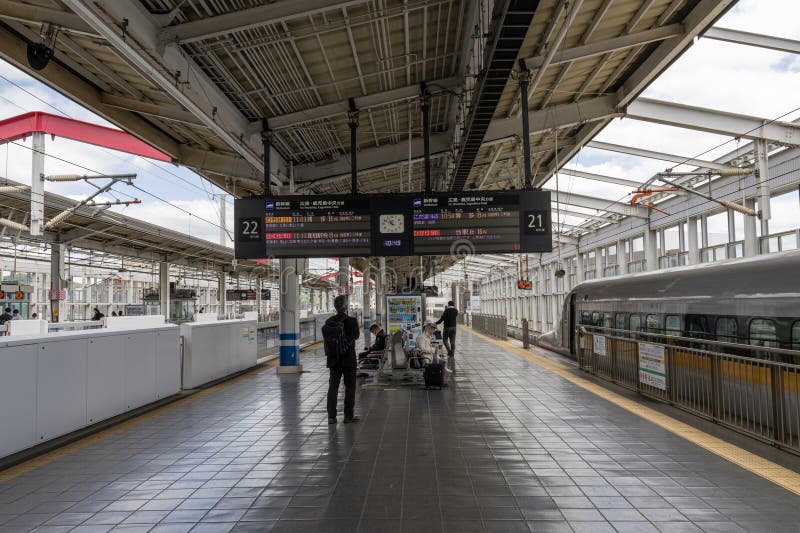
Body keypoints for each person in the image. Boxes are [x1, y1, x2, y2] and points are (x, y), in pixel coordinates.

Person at [323, 295, 360, 424]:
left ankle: (331, 417)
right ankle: (348, 415)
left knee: (333, 387)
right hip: (348, 359)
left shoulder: (329, 322)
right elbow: (356, 336)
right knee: (350, 387)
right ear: (346, 306)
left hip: (334, 359)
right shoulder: (352, 321)